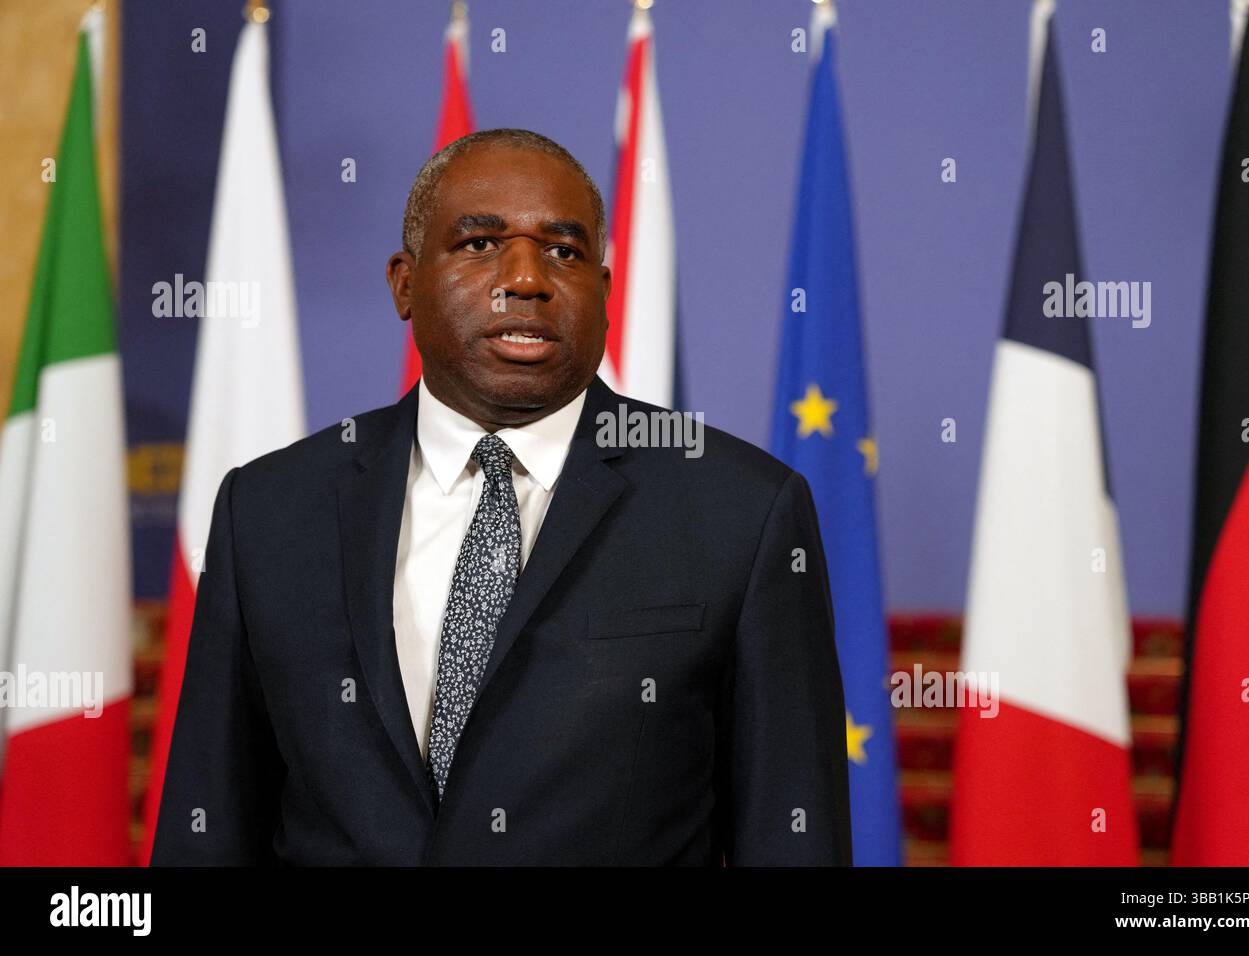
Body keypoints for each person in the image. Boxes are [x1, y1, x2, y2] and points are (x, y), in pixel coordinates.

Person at [151, 128, 851, 865]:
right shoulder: (266, 511)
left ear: (605, 295)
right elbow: (210, 824)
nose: (526, 278)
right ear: (403, 283)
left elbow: (792, 837)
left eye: (564, 251)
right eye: (480, 244)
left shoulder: (742, 511)